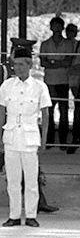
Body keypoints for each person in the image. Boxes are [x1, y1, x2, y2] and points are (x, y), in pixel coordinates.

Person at [0, 38, 59, 214]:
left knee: (30, 163)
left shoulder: (29, 77)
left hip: (23, 128)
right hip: (4, 127)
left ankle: (39, 202)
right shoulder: (2, 70)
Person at [0, 46, 51, 227]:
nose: (17, 68)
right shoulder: (7, 85)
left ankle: (31, 215)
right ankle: (13, 215)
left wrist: (43, 141)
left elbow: (45, 115)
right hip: (11, 137)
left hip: (29, 138)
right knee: (12, 180)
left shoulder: (39, 87)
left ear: (29, 65)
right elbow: (1, 112)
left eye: (21, 64)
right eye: (15, 64)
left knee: (31, 180)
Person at [39, 15, 73, 150]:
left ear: (62, 27)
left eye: (59, 26)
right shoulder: (45, 44)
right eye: (55, 26)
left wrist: (52, 62)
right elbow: (43, 62)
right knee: (49, 111)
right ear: (51, 27)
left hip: (64, 80)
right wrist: (59, 62)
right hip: (50, 81)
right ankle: (49, 140)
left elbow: (68, 62)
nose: (57, 28)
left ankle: (63, 141)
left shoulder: (68, 44)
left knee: (64, 111)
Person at [66, 23, 80, 154]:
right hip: (76, 82)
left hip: (75, 79)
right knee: (77, 111)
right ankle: (75, 138)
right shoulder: (76, 45)